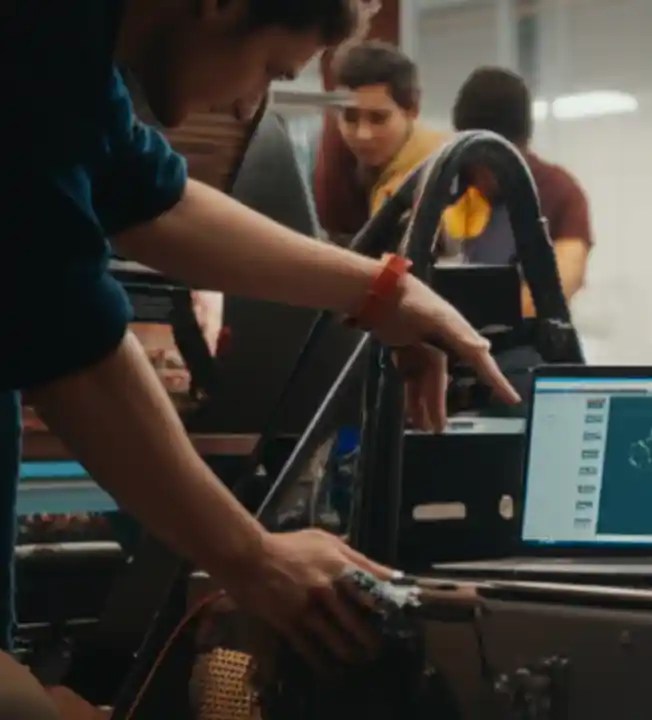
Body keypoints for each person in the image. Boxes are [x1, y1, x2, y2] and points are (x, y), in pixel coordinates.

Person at [0, 0, 518, 712]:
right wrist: (255, 559)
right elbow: (72, 345)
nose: (251, 105)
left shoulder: (78, 53)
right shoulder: (30, 42)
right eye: (271, 70)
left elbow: (156, 204)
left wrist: (385, 294)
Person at [440, 67, 593, 318]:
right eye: (478, 160)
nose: (487, 176)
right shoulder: (442, 185)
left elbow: (559, 285)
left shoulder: (559, 191)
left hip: (524, 346)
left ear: (523, 145)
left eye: (500, 159)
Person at [333, 40, 450, 217]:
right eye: (350, 118)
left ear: (413, 109)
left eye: (378, 118)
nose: (363, 134)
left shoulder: (432, 180)